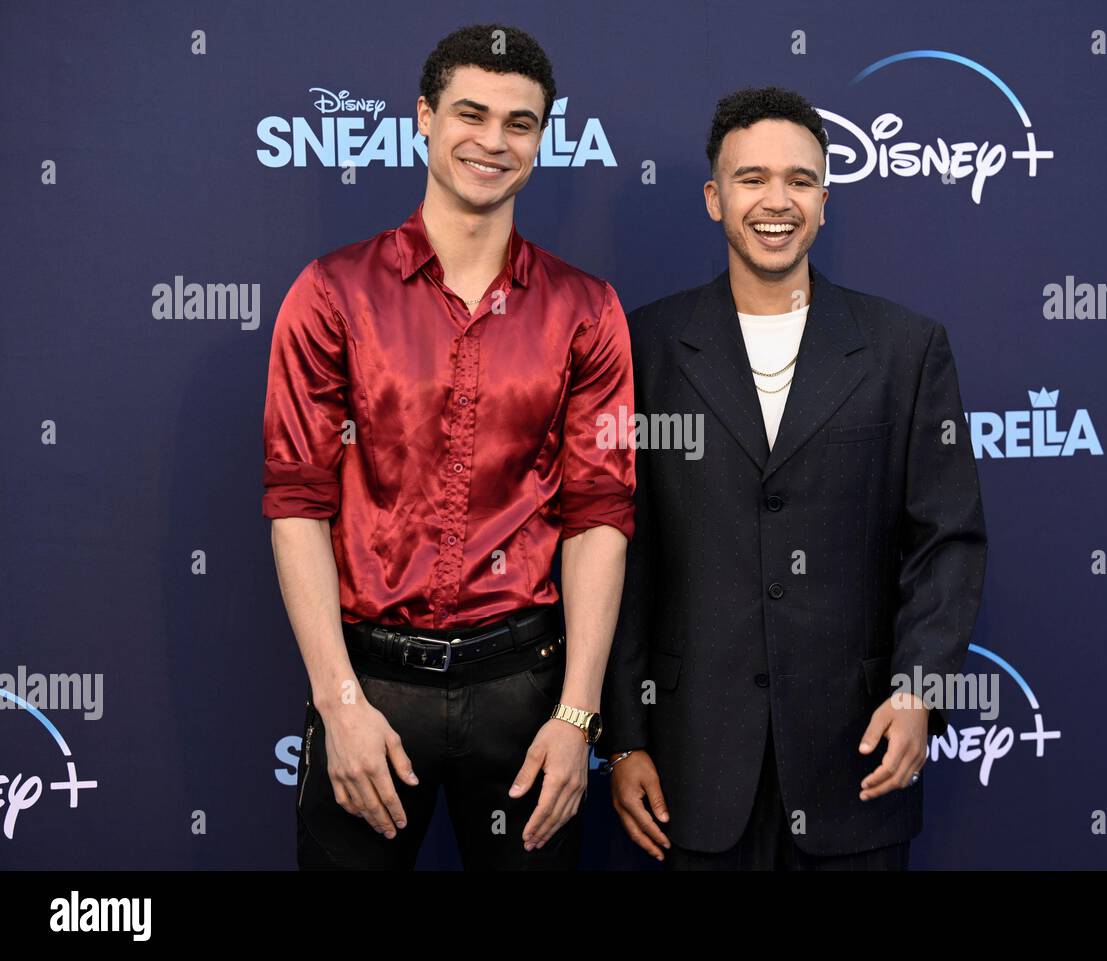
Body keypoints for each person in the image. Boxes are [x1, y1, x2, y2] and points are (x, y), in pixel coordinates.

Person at [262, 23, 634, 870]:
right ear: (423, 118)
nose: (493, 141)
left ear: (543, 138)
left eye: (520, 122)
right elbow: (296, 505)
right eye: (471, 113)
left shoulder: (587, 309)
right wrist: (338, 703)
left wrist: (577, 716)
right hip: (369, 687)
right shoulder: (329, 295)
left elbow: (600, 516)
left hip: (525, 689)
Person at [602, 87, 987, 870]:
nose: (776, 201)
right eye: (751, 179)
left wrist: (919, 690)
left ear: (824, 200)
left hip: (857, 759)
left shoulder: (904, 349)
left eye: (800, 180)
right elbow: (620, 551)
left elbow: (945, 541)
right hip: (689, 767)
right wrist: (624, 738)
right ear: (715, 198)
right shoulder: (642, 345)